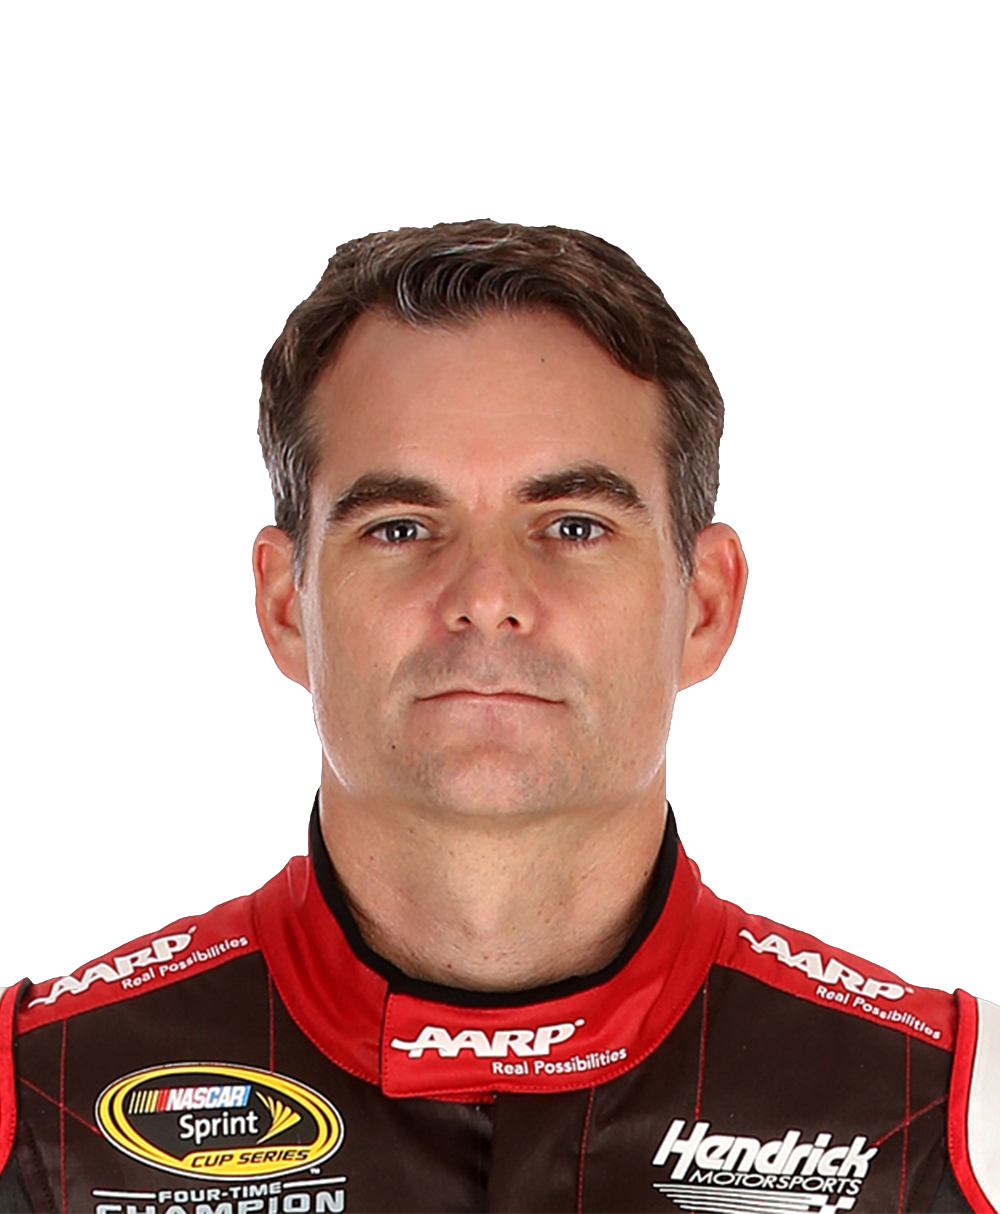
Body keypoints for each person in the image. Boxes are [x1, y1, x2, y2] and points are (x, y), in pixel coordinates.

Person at [1, 221, 995, 1214]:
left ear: (704, 606)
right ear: (285, 604)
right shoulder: (38, 1102)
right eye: (400, 527)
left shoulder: (950, 1117)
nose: (485, 596)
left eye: (573, 525)